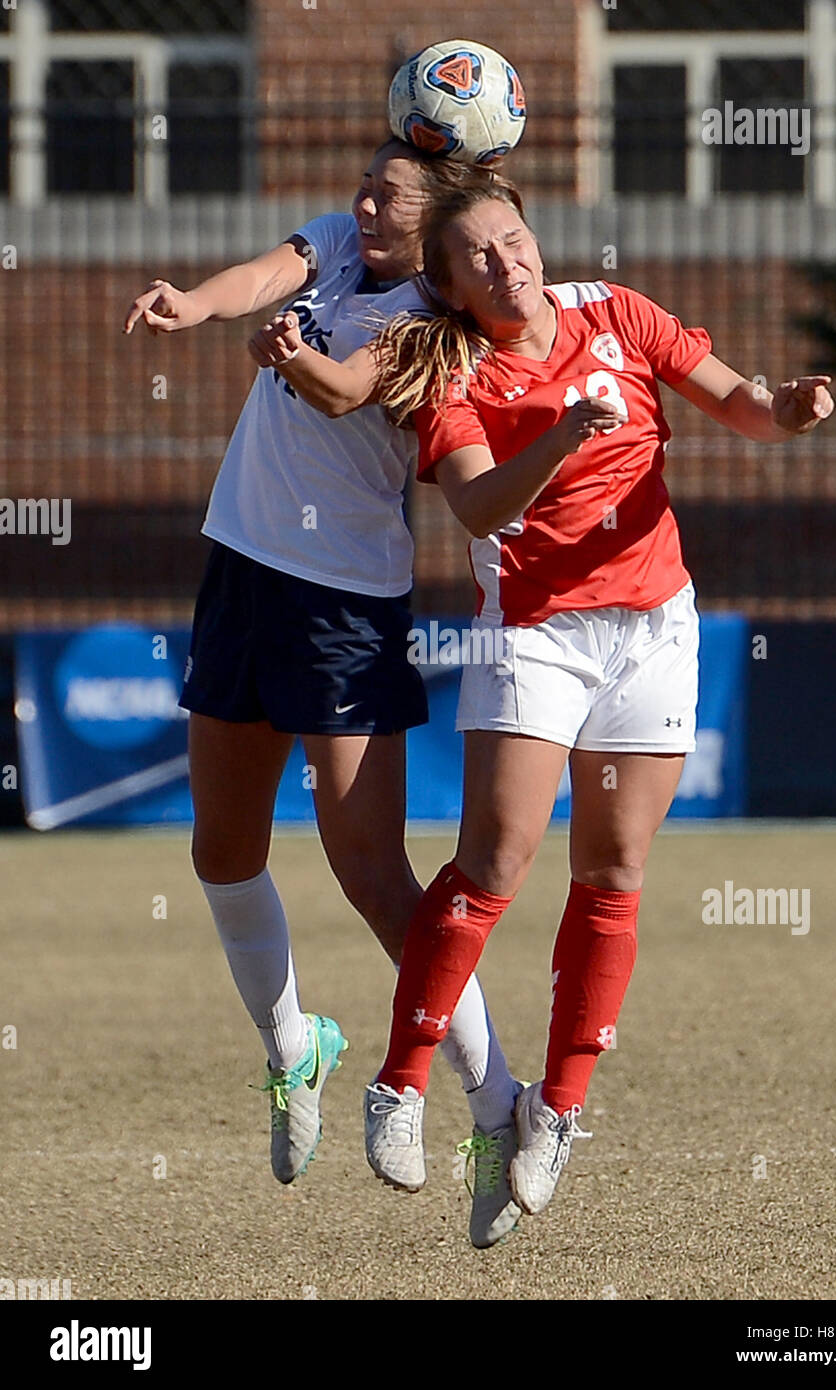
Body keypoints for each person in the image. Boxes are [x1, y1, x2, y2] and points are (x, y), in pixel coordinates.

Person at [256, 178, 834, 1219]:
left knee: (613, 873)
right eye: (478, 256)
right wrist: (563, 435)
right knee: (493, 865)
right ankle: (401, 1080)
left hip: (655, 626)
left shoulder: (616, 311)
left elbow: (741, 402)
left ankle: (555, 1111)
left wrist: (785, 409)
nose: (507, 263)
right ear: (447, 284)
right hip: (540, 633)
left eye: (514, 240)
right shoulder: (454, 370)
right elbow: (478, 503)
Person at [122, 144, 524, 1250]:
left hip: (343, 608)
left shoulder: (434, 325)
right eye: (364, 185)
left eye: (386, 196)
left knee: (374, 875)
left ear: (434, 226)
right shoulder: (346, 244)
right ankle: (295, 1047)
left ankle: (499, 1107)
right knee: (221, 848)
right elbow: (263, 271)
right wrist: (191, 304)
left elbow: (348, 387)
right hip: (241, 569)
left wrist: (294, 358)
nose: (360, 205)